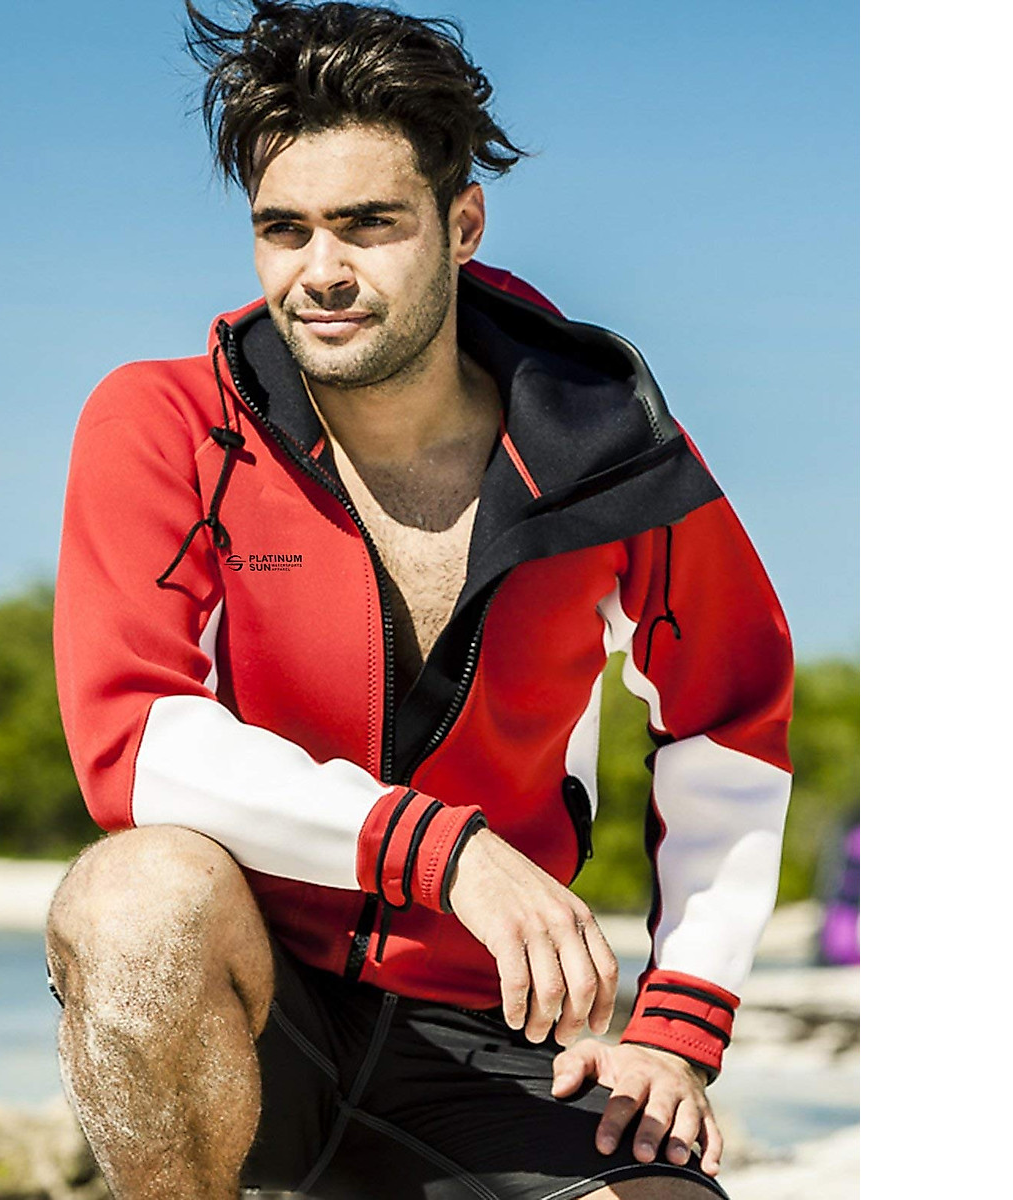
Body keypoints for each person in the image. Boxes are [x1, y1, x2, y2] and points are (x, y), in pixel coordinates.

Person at [46, 3, 794, 1197]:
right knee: (133, 897)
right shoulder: (170, 423)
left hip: (492, 1036)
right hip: (257, 1008)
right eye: (283, 230)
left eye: (368, 224)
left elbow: (732, 719)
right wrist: (438, 850)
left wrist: (678, 1026)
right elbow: (132, 745)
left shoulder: (607, 453)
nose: (320, 273)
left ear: (462, 224)